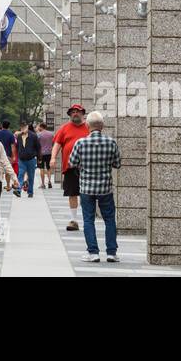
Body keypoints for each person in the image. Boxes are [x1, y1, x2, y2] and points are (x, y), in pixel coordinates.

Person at [69, 111, 121, 262]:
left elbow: (71, 163)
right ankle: (111, 253)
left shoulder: (80, 143)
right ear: (102, 126)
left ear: (87, 126)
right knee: (109, 219)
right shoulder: (111, 142)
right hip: (105, 188)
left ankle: (93, 253)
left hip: (86, 188)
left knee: (88, 220)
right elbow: (117, 164)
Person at [51, 105, 91, 231]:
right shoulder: (64, 128)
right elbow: (57, 144)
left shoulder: (89, 127)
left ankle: (88, 220)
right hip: (70, 167)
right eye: (73, 112)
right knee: (72, 193)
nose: (75, 114)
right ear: (69, 115)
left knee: (88, 194)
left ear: (83, 114)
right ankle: (74, 220)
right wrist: (53, 158)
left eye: (78, 112)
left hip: (88, 166)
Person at [14, 122, 40, 197]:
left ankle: (30, 192)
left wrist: (39, 158)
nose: (23, 129)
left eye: (24, 127)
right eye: (21, 127)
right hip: (22, 159)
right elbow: (17, 147)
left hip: (31, 159)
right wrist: (17, 156)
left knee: (31, 176)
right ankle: (18, 190)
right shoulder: (19, 136)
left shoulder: (33, 136)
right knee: (20, 175)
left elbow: (38, 147)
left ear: (27, 127)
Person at [0, 119, 17, 190]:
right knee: (7, 171)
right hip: (7, 155)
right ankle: (8, 185)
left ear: (2, 125)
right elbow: (12, 146)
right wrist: (14, 156)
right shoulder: (10, 134)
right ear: (9, 126)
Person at [37, 122, 56, 189]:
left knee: (41, 168)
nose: (38, 128)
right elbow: (54, 143)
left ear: (41, 127)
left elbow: (37, 145)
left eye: (39, 126)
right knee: (48, 168)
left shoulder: (39, 135)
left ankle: (42, 184)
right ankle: (49, 181)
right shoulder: (51, 134)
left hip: (41, 154)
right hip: (49, 153)